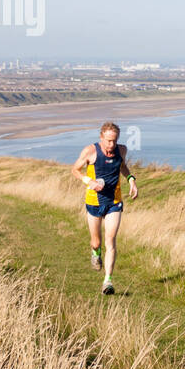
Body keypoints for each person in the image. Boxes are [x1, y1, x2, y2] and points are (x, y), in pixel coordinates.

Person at [71, 121, 138, 294]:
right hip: (94, 202)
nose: (111, 145)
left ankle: (107, 281)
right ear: (101, 138)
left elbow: (122, 166)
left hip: (114, 202)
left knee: (111, 239)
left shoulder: (121, 150)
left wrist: (131, 180)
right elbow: (75, 170)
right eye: (108, 141)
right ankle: (95, 252)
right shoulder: (90, 151)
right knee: (96, 242)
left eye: (114, 141)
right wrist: (89, 181)